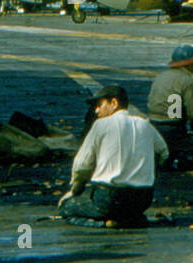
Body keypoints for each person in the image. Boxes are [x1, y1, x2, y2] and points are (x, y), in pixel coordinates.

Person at [59, 85, 168, 227]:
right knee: (127, 211)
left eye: (100, 105)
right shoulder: (145, 124)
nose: (96, 110)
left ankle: (103, 224)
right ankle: (131, 219)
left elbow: (82, 164)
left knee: (66, 207)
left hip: (110, 196)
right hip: (143, 198)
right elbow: (163, 152)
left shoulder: (101, 125)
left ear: (114, 103)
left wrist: (76, 189)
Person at [147, 44, 193, 171]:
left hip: (153, 126)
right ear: (190, 63)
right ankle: (178, 163)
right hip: (173, 128)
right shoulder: (187, 80)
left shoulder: (161, 77)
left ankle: (168, 158)